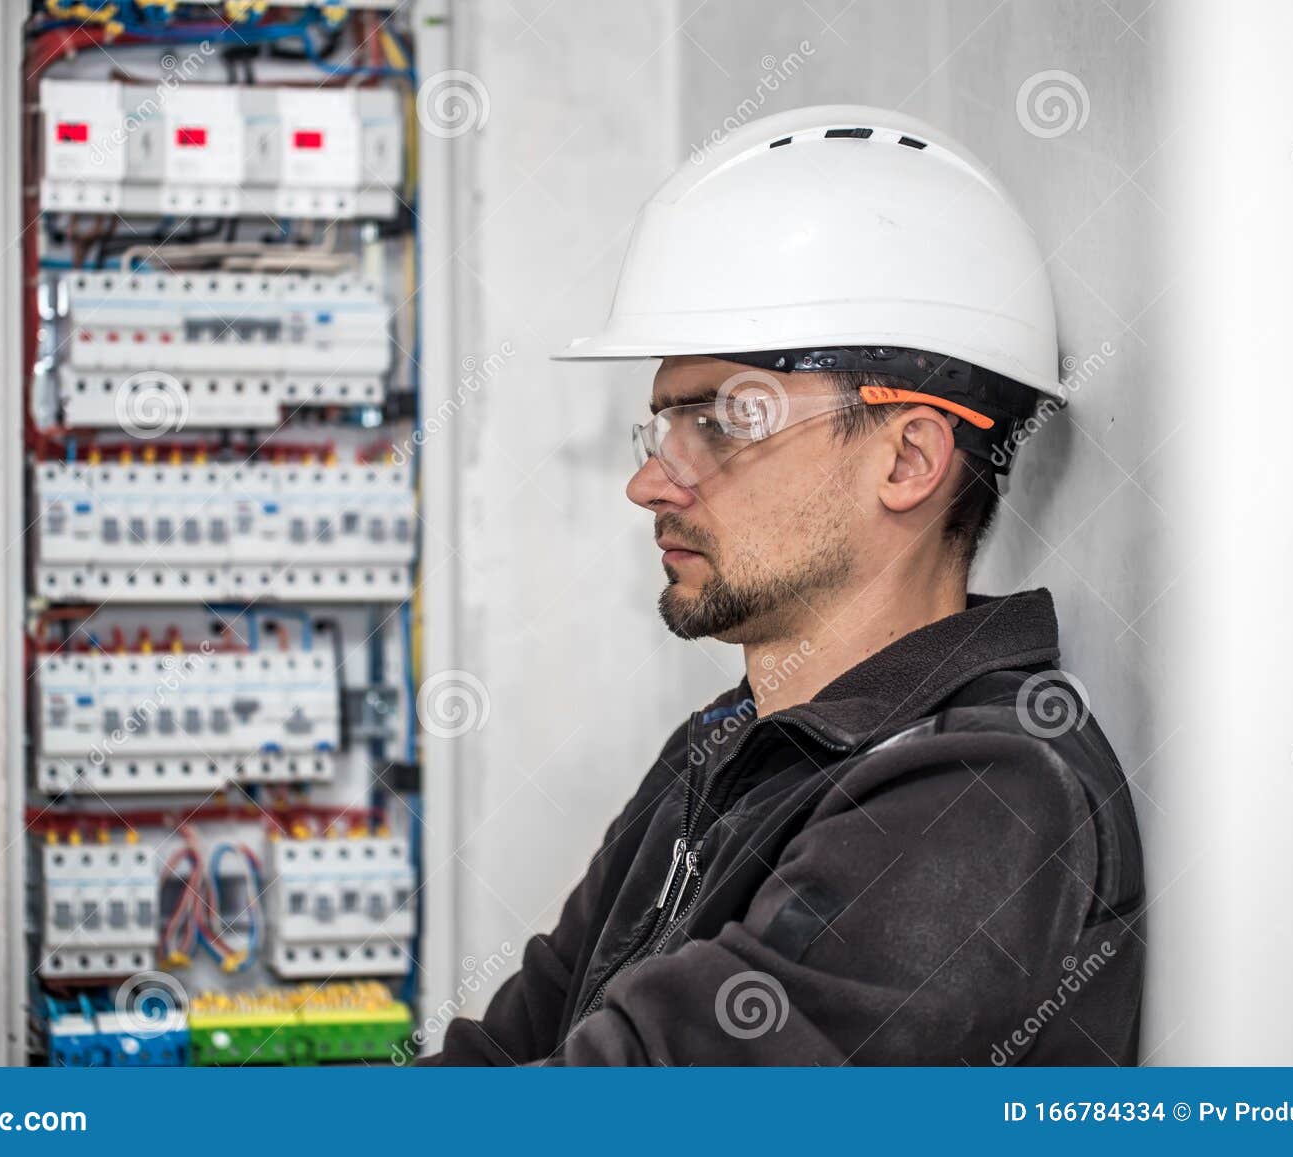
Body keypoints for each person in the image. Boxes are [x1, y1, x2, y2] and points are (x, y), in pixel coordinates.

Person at [418, 105, 1144, 1066]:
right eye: (662, 427)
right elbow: (503, 1055)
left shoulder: (983, 798)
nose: (649, 482)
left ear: (909, 457)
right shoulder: (728, 742)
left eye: (723, 418)